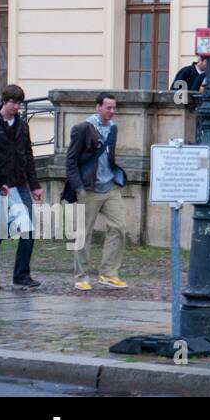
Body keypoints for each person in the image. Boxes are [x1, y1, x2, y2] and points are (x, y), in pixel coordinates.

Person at [65, 92, 130, 291]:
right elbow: (71, 160)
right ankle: (81, 276)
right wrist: (78, 187)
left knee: (119, 227)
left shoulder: (113, 128)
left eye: (114, 108)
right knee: (83, 233)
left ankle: (109, 273)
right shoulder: (82, 128)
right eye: (108, 107)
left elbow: (110, 156)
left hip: (110, 186)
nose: (112, 111)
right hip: (89, 188)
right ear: (98, 107)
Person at [0, 85, 42, 289]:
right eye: (13, 102)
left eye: (19, 103)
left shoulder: (22, 125)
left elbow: (28, 155)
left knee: (28, 230)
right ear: (4, 101)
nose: (16, 106)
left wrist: (35, 185)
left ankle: (21, 274)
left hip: (20, 183)